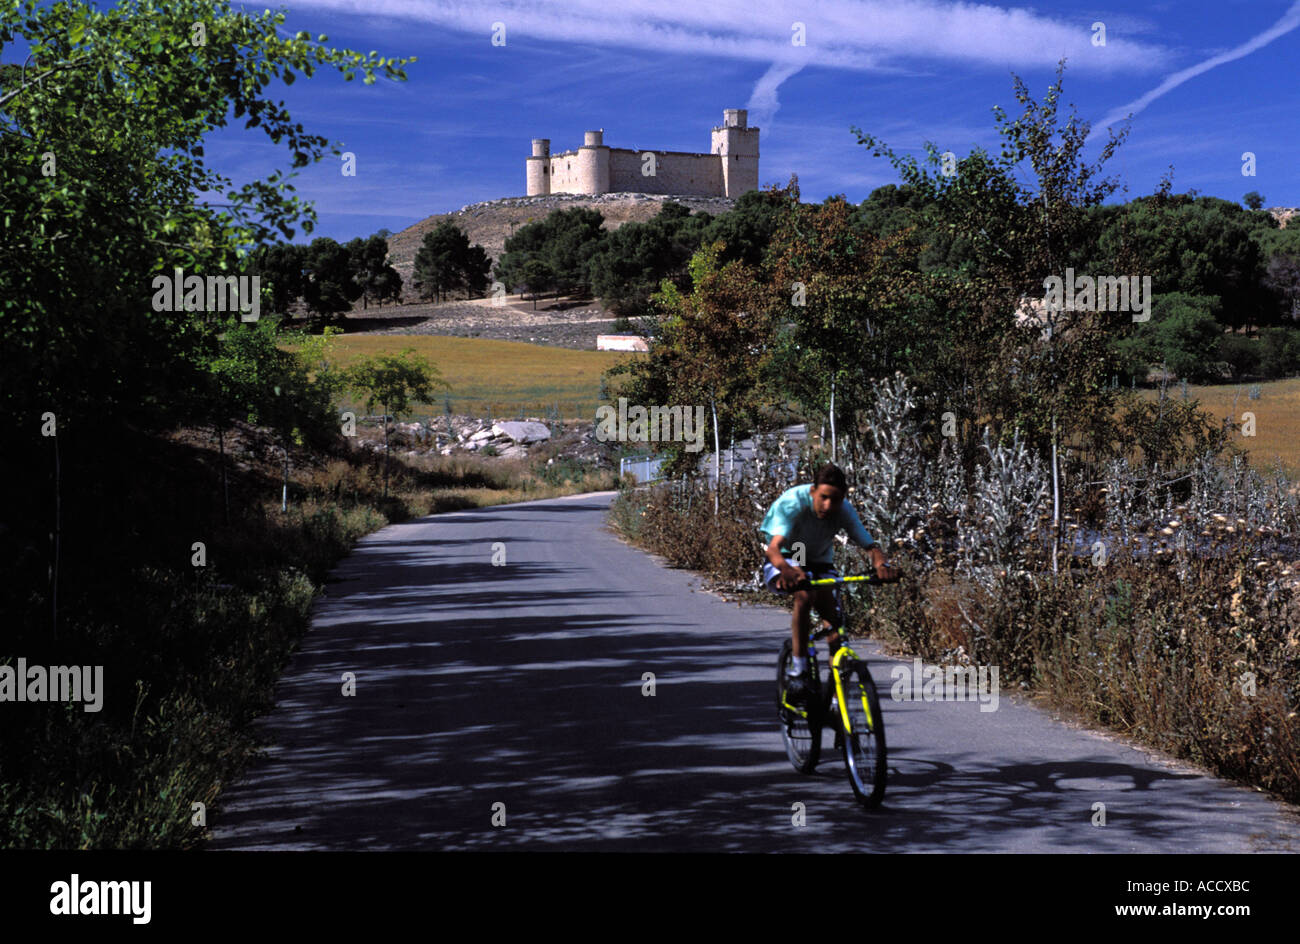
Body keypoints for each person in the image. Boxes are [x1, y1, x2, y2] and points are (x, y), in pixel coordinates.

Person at [759, 462, 896, 704]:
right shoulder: (794, 503)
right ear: (812, 491)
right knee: (805, 592)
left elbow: (870, 546)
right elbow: (774, 549)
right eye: (823, 498)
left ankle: (837, 696)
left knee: (832, 616)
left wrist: (881, 566)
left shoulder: (843, 509)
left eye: (835, 500)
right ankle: (799, 669)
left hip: (820, 557)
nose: (828, 506)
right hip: (794, 550)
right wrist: (786, 570)